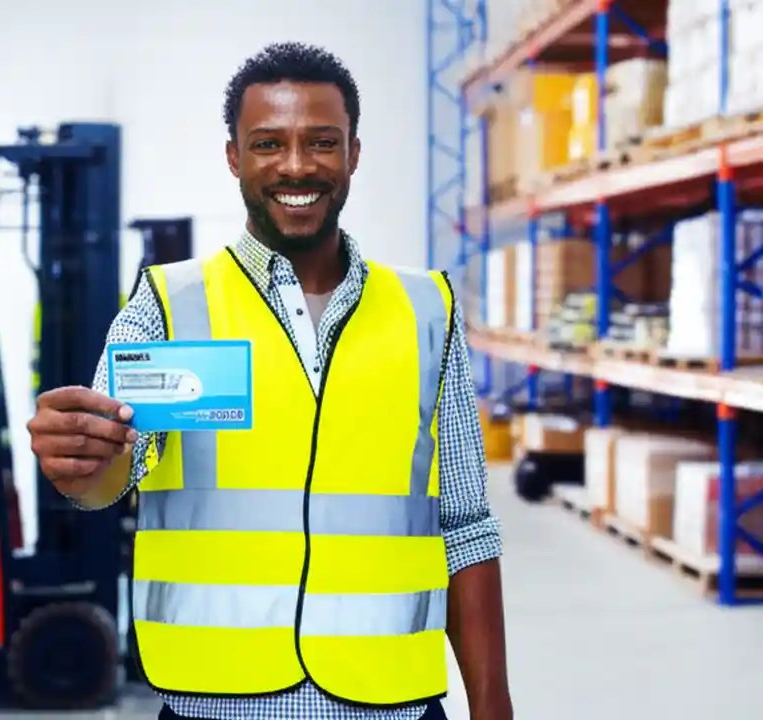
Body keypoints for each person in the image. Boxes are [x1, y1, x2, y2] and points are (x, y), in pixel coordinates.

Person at [27, 42, 513, 720]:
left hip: (388, 699)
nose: (295, 166)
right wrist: (81, 467)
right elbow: (118, 469)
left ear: (353, 153)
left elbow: (465, 527)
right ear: (234, 156)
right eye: (267, 143)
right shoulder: (167, 305)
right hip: (216, 701)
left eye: (321, 142)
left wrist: (494, 708)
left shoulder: (427, 311)